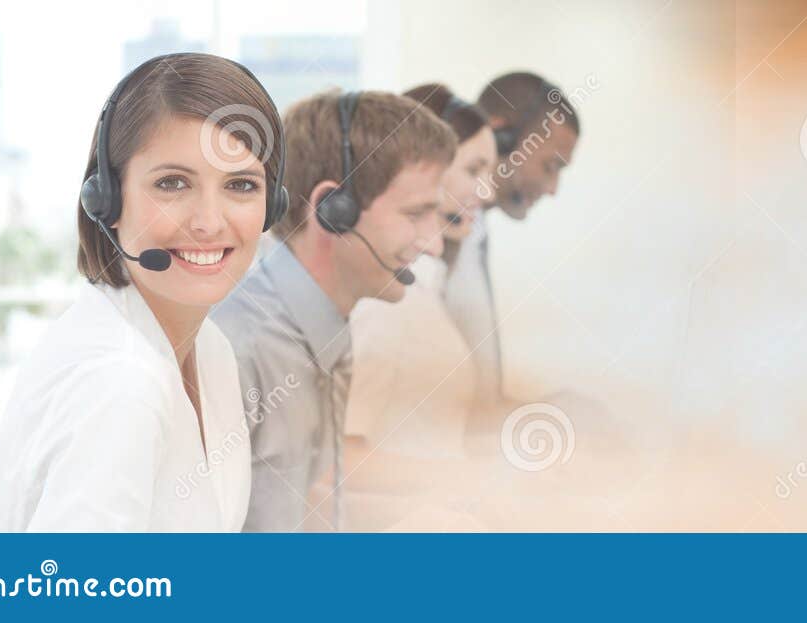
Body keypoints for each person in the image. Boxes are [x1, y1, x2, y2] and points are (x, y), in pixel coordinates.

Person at [0, 53, 284, 531]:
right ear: (108, 201)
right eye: (172, 183)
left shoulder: (209, 348)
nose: (209, 221)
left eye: (241, 185)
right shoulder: (118, 383)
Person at [210, 89, 456, 532]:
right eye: (417, 213)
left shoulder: (322, 330)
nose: (434, 243)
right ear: (332, 210)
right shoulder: (239, 351)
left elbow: (288, 506)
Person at [344, 84, 496, 461]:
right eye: (474, 169)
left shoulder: (425, 287)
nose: (488, 191)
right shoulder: (386, 303)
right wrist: (467, 485)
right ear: (426, 168)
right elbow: (341, 459)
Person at [443, 71, 581, 427]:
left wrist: (551, 417)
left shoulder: (474, 234)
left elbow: (473, 409)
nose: (552, 189)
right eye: (550, 166)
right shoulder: (423, 247)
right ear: (501, 137)